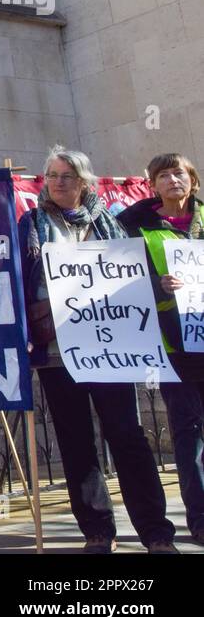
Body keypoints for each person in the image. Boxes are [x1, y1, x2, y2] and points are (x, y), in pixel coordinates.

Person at [19, 145, 176, 553]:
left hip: (110, 351)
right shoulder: (31, 224)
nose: (56, 183)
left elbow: (132, 275)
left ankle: (156, 533)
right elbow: (19, 278)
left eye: (65, 177)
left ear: (84, 183)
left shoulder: (110, 224)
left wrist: (155, 285)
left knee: (127, 437)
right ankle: (97, 531)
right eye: (51, 176)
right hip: (58, 354)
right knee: (76, 442)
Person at [117, 152, 204, 543]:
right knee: (189, 432)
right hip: (174, 346)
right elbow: (119, 281)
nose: (173, 180)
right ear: (152, 185)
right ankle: (201, 521)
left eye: (180, 173)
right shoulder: (134, 227)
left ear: (194, 181)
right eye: (163, 175)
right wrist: (156, 286)